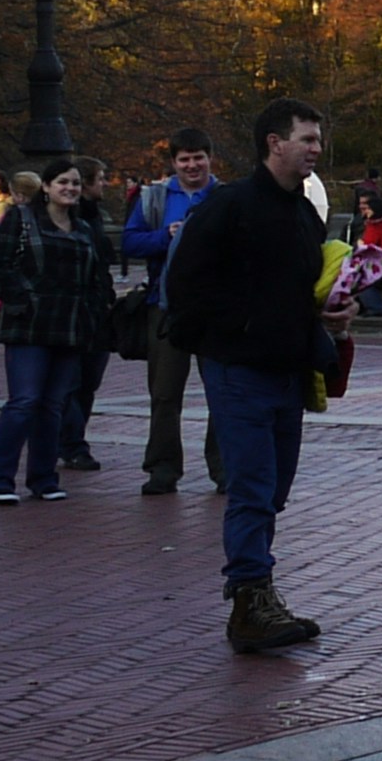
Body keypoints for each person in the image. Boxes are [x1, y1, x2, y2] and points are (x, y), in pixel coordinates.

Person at [162, 98, 357, 654]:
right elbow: (186, 288)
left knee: (273, 488)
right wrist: (236, 332)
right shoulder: (229, 207)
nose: (317, 149)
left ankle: (261, 593)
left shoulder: (304, 213)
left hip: (287, 368)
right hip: (239, 367)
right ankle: (249, 599)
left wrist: (335, 312)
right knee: (250, 485)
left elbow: (306, 289)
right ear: (274, 143)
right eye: (308, 139)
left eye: (318, 140)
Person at [0, 169, 106, 505]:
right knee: (24, 401)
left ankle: (44, 478)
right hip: (29, 326)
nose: (71, 188)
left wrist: (93, 312)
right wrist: (23, 298)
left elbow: (95, 276)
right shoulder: (21, 219)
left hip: (70, 326)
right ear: (46, 187)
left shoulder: (84, 228)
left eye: (76, 183)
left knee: (53, 405)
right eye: (62, 182)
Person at [121, 132, 228, 496]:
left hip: (216, 310)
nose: (192, 166)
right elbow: (130, 241)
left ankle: (225, 467)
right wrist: (166, 236)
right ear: (173, 163)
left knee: (222, 392)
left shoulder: (226, 197)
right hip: (164, 308)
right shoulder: (153, 198)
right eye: (184, 160)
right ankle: (163, 468)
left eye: (198, 157)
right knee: (165, 392)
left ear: (210, 158)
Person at [51, 158, 120, 471]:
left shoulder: (91, 218)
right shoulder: (71, 221)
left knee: (87, 381)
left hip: (96, 309)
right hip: (73, 310)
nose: (103, 184)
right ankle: (71, 442)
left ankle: (70, 439)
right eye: (100, 178)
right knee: (71, 381)